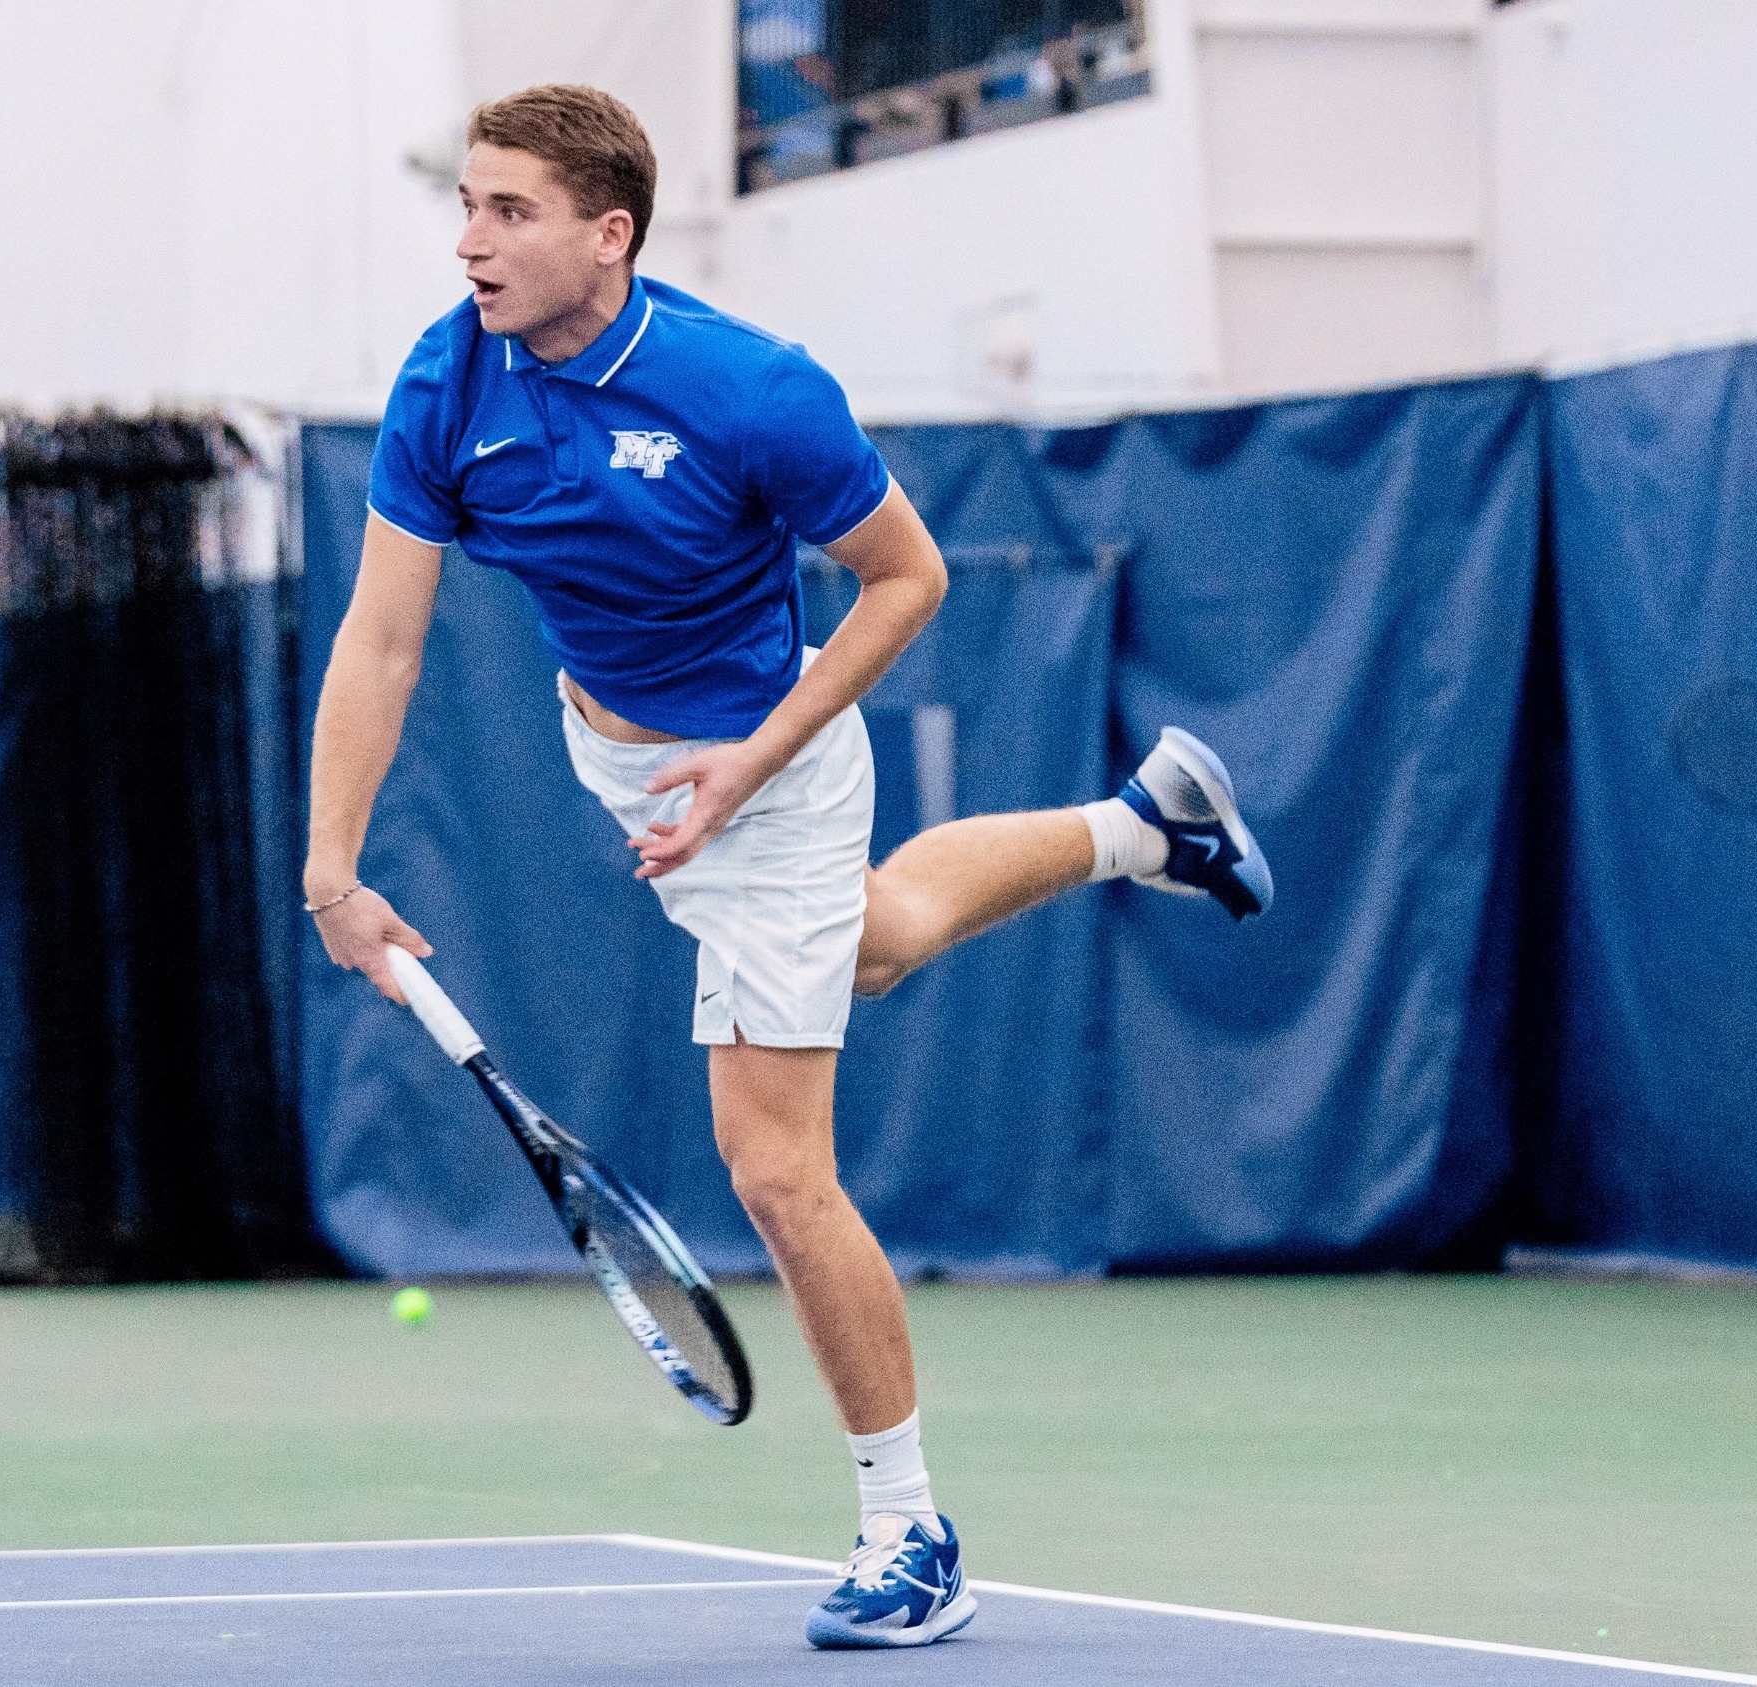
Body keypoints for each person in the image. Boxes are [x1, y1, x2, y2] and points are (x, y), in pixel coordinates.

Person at [300, 85, 1270, 1651]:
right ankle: (1146, 826)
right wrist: (332, 866)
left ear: (609, 235)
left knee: (772, 1162)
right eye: (466, 205)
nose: (470, 239)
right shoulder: (447, 376)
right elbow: (382, 636)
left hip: (775, 763)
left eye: (509, 210)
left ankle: (911, 1530)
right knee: (877, 938)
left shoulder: (749, 388)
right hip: (615, 752)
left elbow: (908, 576)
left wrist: (750, 764)